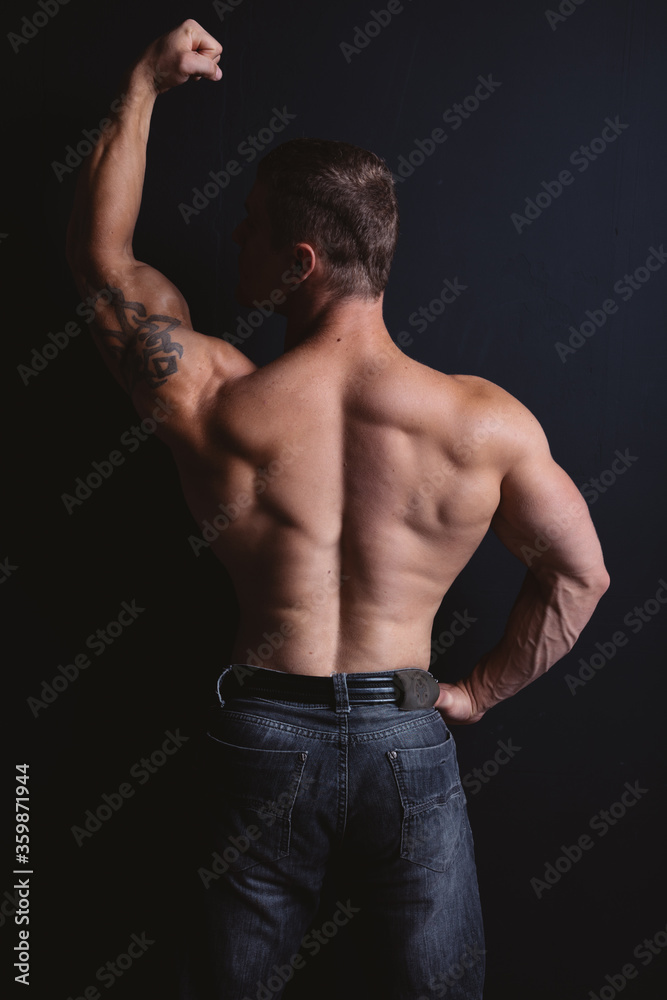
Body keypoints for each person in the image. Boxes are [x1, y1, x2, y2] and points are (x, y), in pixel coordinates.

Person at [65, 18, 609, 1000]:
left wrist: (144, 83)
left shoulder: (220, 398)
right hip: (409, 735)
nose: (235, 236)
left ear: (301, 261)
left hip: (263, 734)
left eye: (253, 224)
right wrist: (476, 694)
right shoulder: (483, 422)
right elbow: (579, 575)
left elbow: (103, 265)